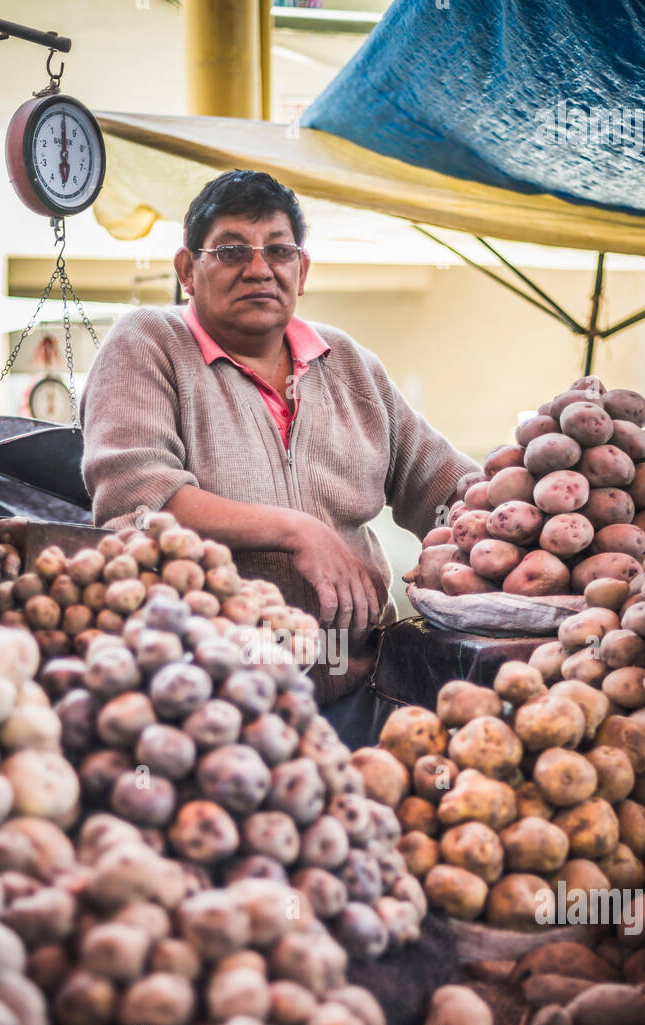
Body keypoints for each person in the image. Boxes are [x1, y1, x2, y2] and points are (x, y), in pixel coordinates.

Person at [80, 169, 475, 742]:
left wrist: (522, 501)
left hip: (361, 686)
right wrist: (296, 531)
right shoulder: (148, 343)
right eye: (232, 249)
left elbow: (439, 482)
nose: (259, 267)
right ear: (188, 270)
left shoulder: (350, 365)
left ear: (302, 269)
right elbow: (138, 502)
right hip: (208, 699)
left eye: (279, 250)